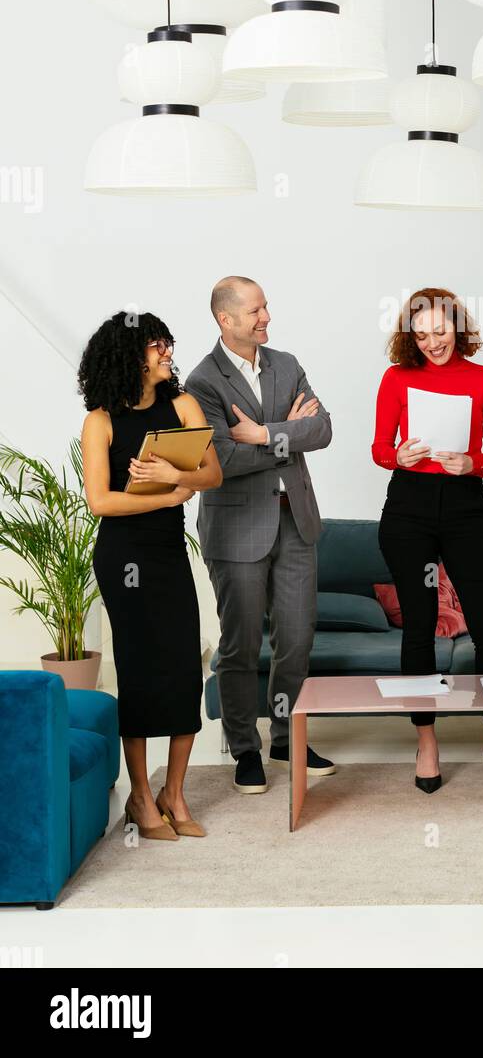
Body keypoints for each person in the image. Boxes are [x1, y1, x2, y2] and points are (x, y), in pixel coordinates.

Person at [372, 287, 483, 792]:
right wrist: (397, 456)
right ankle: (426, 741)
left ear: (458, 326)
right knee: (418, 626)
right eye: (420, 336)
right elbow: (380, 447)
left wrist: (472, 463)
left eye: (439, 332)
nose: (431, 343)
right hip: (408, 508)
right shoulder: (397, 377)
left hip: (465, 506)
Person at [185, 277, 333, 795]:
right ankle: (245, 748)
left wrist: (265, 432)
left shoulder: (286, 364)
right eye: (255, 310)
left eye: (266, 306)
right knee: (241, 644)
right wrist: (286, 437)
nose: (266, 316)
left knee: (296, 639)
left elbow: (324, 429)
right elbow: (221, 459)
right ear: (226, 320)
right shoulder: (202, 382)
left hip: (295, 520)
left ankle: (286, 736)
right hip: (235, 529)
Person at [80, 311, 222, 841]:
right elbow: (101, 501)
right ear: (130, 356)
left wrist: (174, 474)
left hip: (168, 553)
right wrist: (169, 494)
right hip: (124, 558)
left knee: (185, 664)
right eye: (157, 346)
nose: (168, 353)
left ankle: (174, 792)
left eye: (168, 344)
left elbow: (212, 473)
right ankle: (140, 796)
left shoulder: (182, 404)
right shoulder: (101, 420)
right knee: (139, 670)